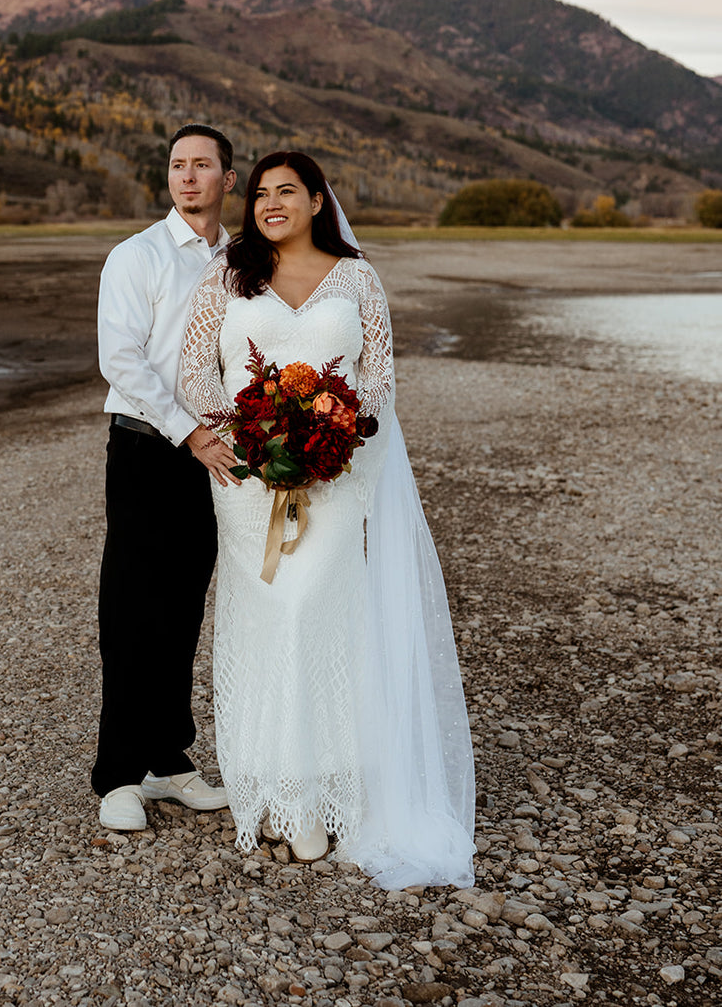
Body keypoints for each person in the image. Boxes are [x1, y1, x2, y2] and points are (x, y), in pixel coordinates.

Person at [178, 151, 475, 885]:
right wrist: (249, 434)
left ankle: (321, 794)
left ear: (318, 200)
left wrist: (332, 440)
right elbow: (194, 369)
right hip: (248, 480)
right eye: (260, 193)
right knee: (264, 616)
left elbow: (379, 377)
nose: (271, 203)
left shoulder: (358, 278)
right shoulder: (228, 275)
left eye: (287, 191)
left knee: (319, 612)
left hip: (338, 477)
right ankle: (272, 792)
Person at [92, 123, 240, 832]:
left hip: (214, 457)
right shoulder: (137, 256)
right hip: (150, 449)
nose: (187, 176)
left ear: (227, 179)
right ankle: (118, 773)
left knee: (184, 605)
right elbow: (120, 360)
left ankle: (166, 760)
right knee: (130, 609)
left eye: (202, 165)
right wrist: (192, 433)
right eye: (178, 165)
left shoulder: (243, 261)